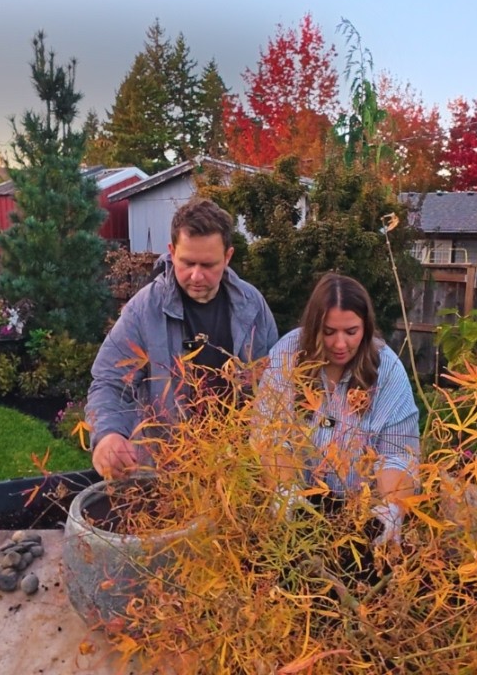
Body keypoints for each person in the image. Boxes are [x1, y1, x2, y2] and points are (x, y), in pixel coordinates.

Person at [87, 198, 278, 479]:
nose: (196, 275)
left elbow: (274, 384)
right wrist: (108, 434)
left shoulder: (251, 306)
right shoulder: (144, 310)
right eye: (187, 262)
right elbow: (110, 383)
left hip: (238, 471)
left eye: (208, 264)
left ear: (228, 257)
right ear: (172, 251)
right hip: (168, 472)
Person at [256, 273, 420, 547]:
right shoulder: (287, 355)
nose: (340, 344)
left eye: (351, 332)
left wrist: (392, 508)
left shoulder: (388, 371)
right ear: (312, 327)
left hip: (360, 518)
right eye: (329, 332)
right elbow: (268, 434)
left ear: (365, 328)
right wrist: (284, 489)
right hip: (296, 510)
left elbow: (399, 454)